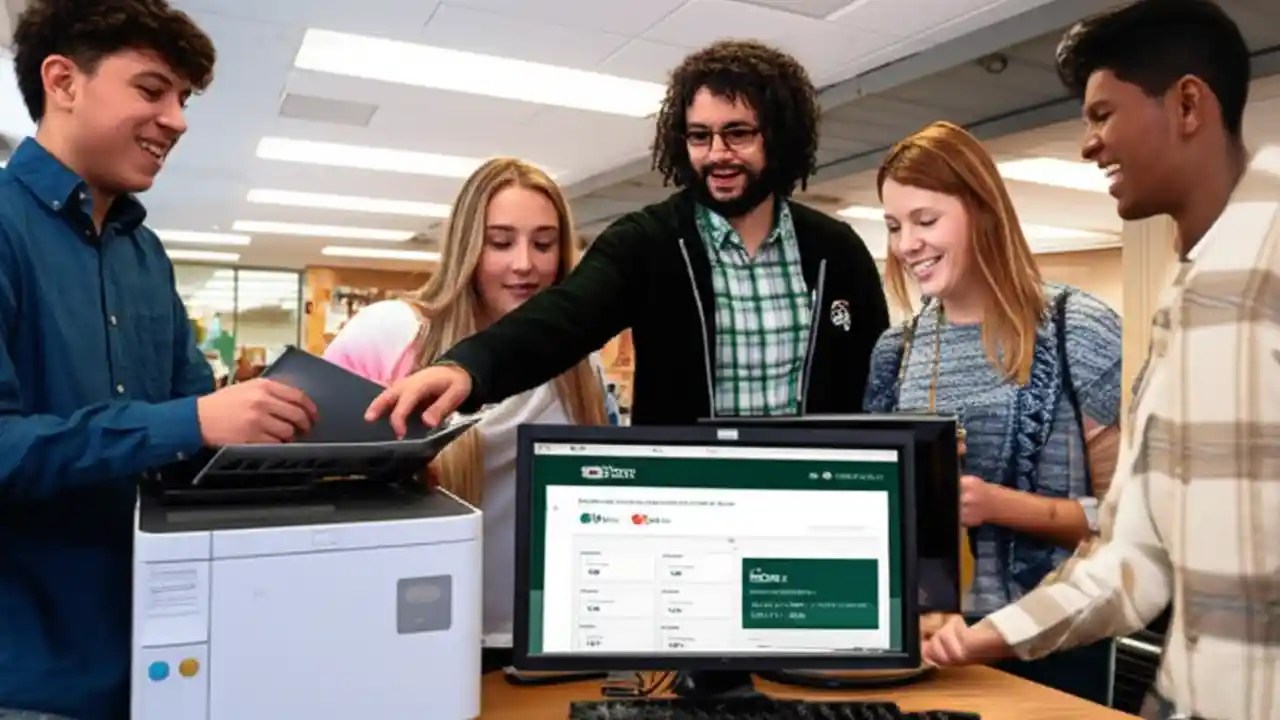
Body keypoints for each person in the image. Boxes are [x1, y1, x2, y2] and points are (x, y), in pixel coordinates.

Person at [922, 2, 1280, 718]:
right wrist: (980, 637)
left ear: (1186, 104)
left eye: (1103, 115)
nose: (1089, 144)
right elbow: (1132, 560)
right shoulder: (1188, 298)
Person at [0, 2, 317, 718]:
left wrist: (301, 448)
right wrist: (192, 421)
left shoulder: (147, 256)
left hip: (167, 656)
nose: (177, 119)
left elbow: (192, 433)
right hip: (32, 679)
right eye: (151, 90)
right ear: (63, 82)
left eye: (183, 99)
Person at [363, 40, 889, 433]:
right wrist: (469, 368)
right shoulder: (649, 243)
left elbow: (880, 383)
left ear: (780, 135)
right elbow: (562, 318)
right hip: (688, 503)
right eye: (700, 136)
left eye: (738, 133)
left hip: (820, 505)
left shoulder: (835, 251)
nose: (717, 154)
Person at [862, 120, 1123, 702]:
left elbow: (1130, 524)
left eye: (926, 221)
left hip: (1052, 641)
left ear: (983, 211)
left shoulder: (1074, 330)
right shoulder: (895, 352)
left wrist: (1001, 506)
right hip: (930, 641)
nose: (907, 245)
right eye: (894, 226)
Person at [322, 157, 612, 671]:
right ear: (466, 246)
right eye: (500, 242)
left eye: (543, 244)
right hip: (417, 634)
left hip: (543, 639)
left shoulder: (578, 360)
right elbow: (309, 480)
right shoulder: (391, 332)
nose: (524, 264)